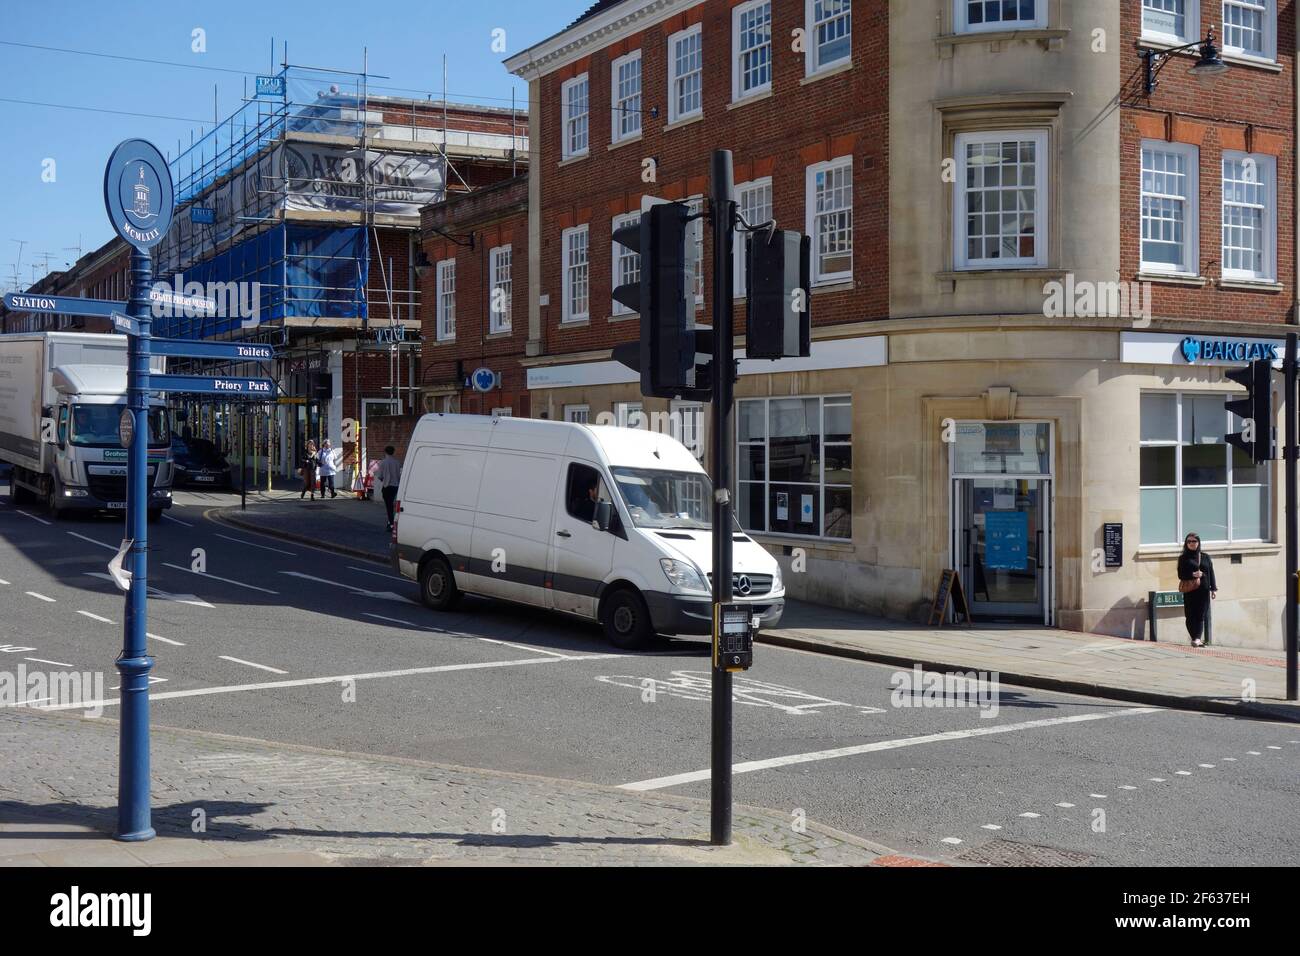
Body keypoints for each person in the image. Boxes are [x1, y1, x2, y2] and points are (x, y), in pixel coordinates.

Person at [1177, 531, 1217, 647]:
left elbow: (1211, 573)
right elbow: (1180, 575)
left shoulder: (1205, 557)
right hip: (1190, 591)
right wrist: (1192, 575)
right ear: (1186, 543)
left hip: (1203, 590)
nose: (1191, 543)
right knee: (1190, 615)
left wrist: (1213, 589)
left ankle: (1197, 639)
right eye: (1189, 541)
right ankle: (1195, 637)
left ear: (1198, 543)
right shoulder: (1183, 558)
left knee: (1201, 614)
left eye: (1194, 541)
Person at [376, 446, 402, 531]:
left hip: (387, 486)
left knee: (389, 506)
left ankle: (391, 524)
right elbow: (398, 475)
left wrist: (383, 479)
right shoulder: (397, 462)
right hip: (395, 486)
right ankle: (390, 522)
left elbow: (379, 476)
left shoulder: (383, 462)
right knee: (391, 504)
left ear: (385, 452)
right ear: (393, 452)